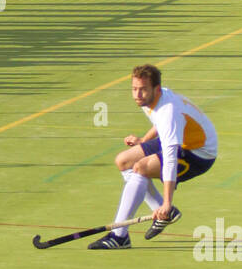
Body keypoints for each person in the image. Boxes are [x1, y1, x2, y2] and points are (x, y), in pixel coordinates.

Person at [89, 64, 218, 251]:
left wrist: (167, 201)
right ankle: (165, 212)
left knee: (140, 168)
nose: (137, 95)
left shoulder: (168, 112)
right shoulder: (153, 99)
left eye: (142, 90)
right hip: (181, 138)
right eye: (134, 89)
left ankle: (119, 235)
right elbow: (159, 124)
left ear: (156, 89)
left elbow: (170, 160)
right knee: (123, 161)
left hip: (199, 152)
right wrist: (144, 140)